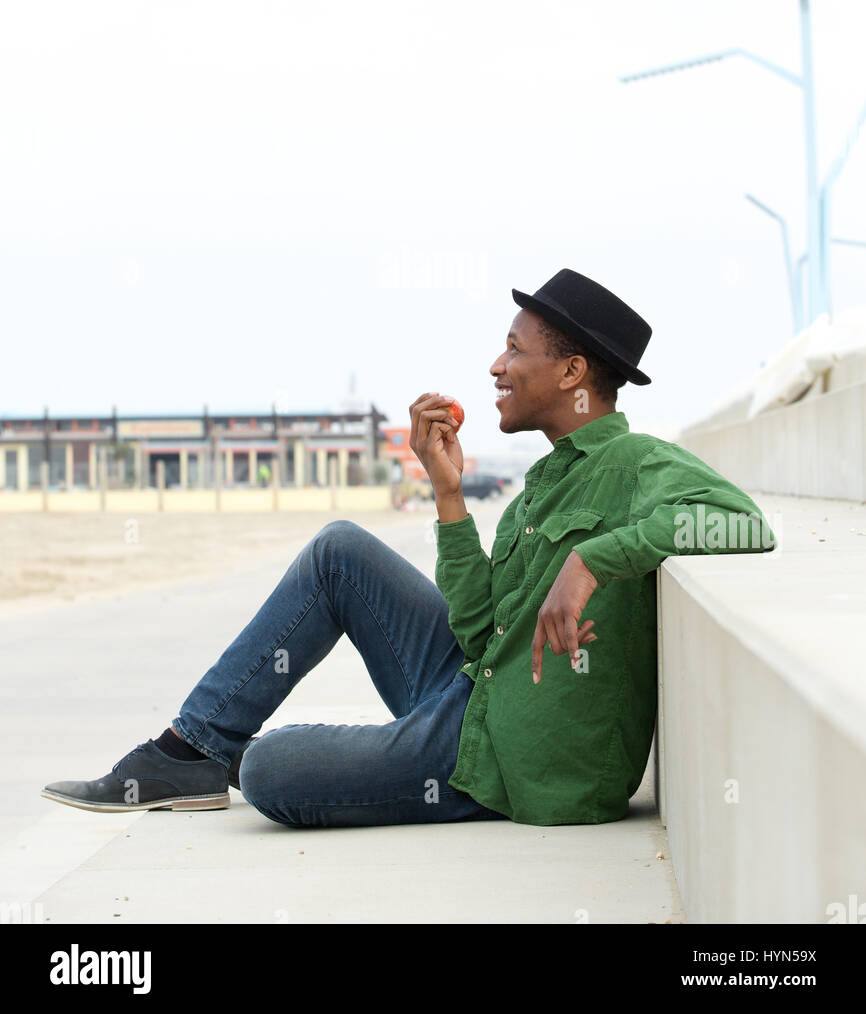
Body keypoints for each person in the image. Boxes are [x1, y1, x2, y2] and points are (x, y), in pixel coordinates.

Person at [41, 269, 776, 828]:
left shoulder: (640, 464)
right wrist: (448, 493)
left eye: (514, 349)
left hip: (509, 756)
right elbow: (477, 628)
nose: (495, 366)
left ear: (573, 373)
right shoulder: (545, 479)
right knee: (340, 550)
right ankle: (192, 752)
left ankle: (330, 758)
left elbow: (743, 522)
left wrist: (593, 559)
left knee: (268, 770)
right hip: (478, 685)